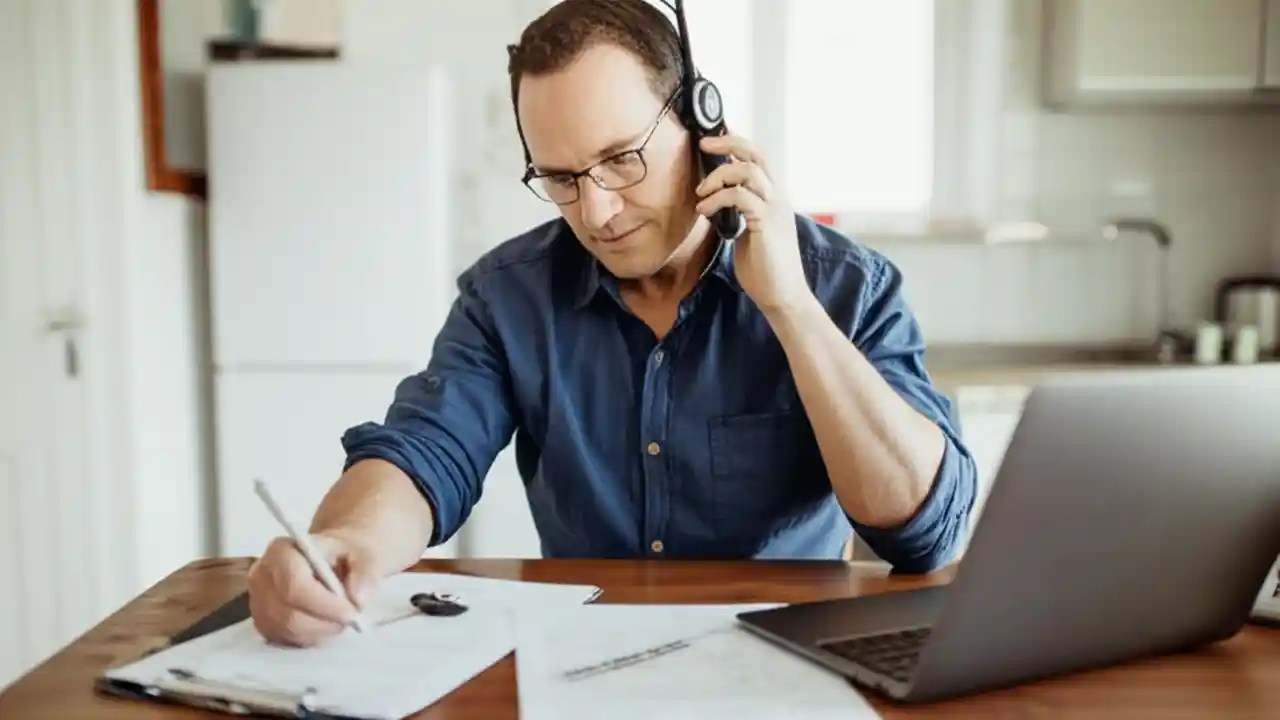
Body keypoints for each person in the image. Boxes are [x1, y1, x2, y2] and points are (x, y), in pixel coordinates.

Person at [247, 0, 977, 647]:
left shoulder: (846, 286)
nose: (596, 212)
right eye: (560, 178)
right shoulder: (506, 296)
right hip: (581, 661)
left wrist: (791, 309)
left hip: (786, 658)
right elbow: (425, 450)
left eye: (622, 160)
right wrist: (347, 543)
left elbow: (925, 534)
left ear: (702, 126)